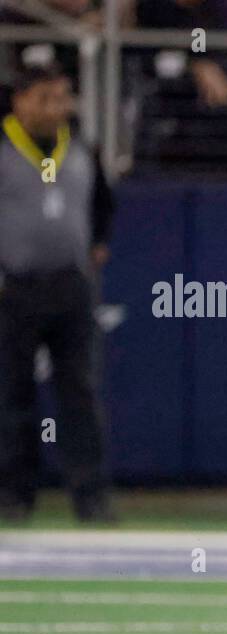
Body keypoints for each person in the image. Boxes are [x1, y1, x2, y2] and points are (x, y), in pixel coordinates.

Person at [0, 64, 115, 524]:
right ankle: (12, 496)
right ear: (21, 101)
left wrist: (98, 244)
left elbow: (102, 202)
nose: (57, 109)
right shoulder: (5, 147)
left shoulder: (82, 146)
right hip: (14, 287)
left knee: (80, 393)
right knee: (11, 396)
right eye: (47, 98)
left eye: (63, 98)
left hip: (71, 287)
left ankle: (91, 498)